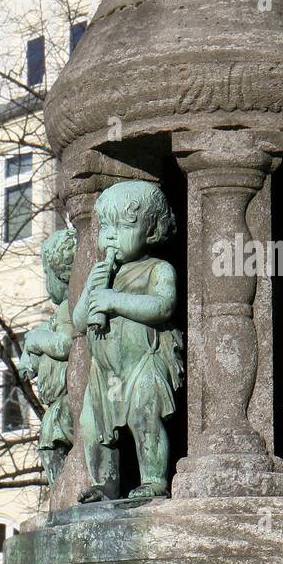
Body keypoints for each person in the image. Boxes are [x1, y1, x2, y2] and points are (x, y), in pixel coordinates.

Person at [72, 180, 182, 502]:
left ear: (152, 230)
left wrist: (113, 300)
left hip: (144, 364)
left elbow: (163, 306)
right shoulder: (102, 273)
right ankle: (105, 483)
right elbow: (80, 322)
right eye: (106, 225)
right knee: (92, 426)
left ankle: (153, 479)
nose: (111, 234)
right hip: (107, 372)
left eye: (125, 225)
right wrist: (93, 291)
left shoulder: (157, 269)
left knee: (143, 414)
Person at [18, 228, 77, 485]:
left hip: (66, 402)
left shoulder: (68, 307)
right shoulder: (62, 312)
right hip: (58, 401)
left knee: (52, 446)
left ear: (60, 273)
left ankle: (63, 492)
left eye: (46, 273)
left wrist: (34, 340)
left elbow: (64, 344)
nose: (45, 280)